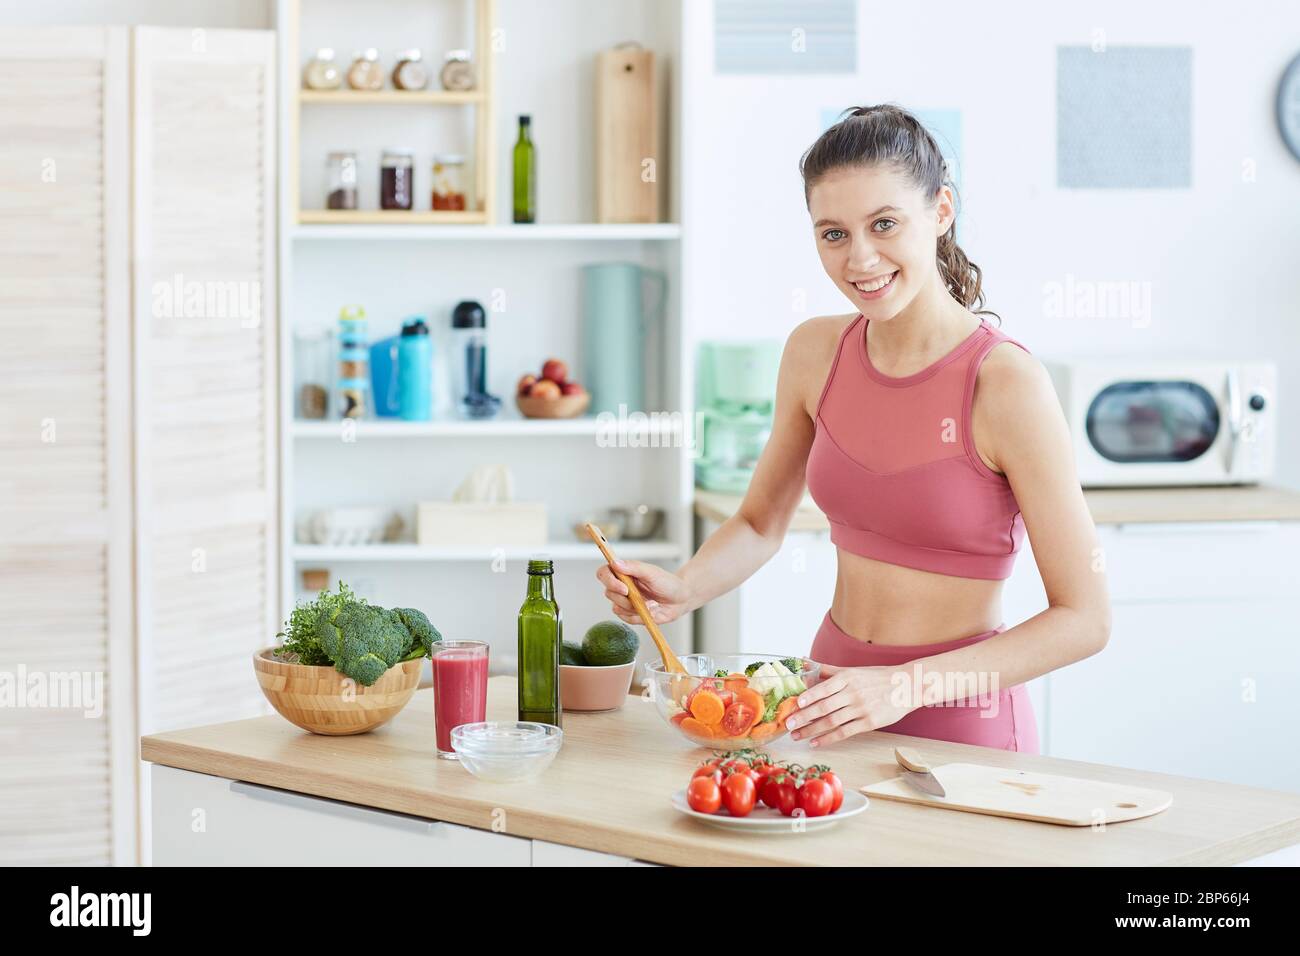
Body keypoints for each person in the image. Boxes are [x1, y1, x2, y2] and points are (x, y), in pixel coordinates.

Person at [597, 104, 1110, 752]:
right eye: (833, 234)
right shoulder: (815, 353)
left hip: (961, 725)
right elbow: (759, 522)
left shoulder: (1004, 383)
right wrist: (683, 588)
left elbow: (1085, 619)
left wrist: (902, 686)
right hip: (830, 702)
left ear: (941, 211)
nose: (860, 258)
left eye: (885, 224)